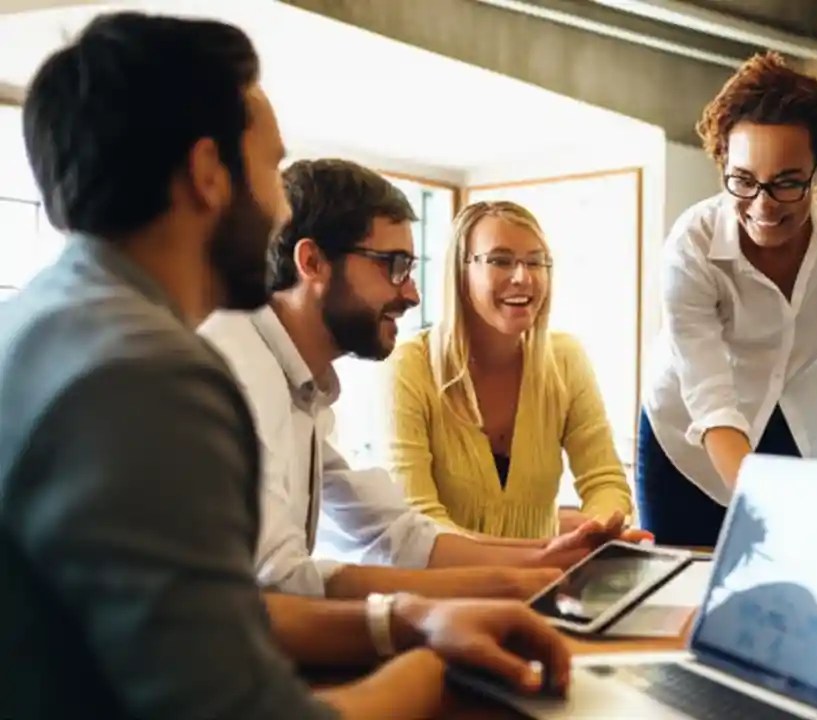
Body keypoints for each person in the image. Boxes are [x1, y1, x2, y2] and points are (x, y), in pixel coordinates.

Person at [0, 13, 569, 719]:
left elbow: (214, 613)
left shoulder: (49, 323)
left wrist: (409, 621)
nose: (280, 204)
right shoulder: (150, 375)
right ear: (209, 174)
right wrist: (433, 667)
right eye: (271, 168)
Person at [201, 160, 644, 601]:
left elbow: (399, 532)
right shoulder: (236, 374)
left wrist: (554, 557)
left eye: (536, 261)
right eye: (393, 266)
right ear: (312, 262)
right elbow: (276, 581)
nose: (411, 293)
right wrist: (502, 586)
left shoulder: (302, 390)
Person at [638, 51, 817, 546]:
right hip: (690, 439)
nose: (762, 206)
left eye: (787, 183)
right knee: (686, 585)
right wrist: (763, 517)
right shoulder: (691, 247)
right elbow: (712, 405)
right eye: (743, 180)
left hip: (797, 423)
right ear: (724, 165)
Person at [385, 199, 636, 538]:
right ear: (461, 272)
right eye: (500, 261)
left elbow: (605, 481)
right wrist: (536, 558)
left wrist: (598, 529)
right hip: (443, 586)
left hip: (542, 580)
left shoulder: (566, 359)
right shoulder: (410, 366)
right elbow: (420, 522)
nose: (523, 277)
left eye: (536, 262)